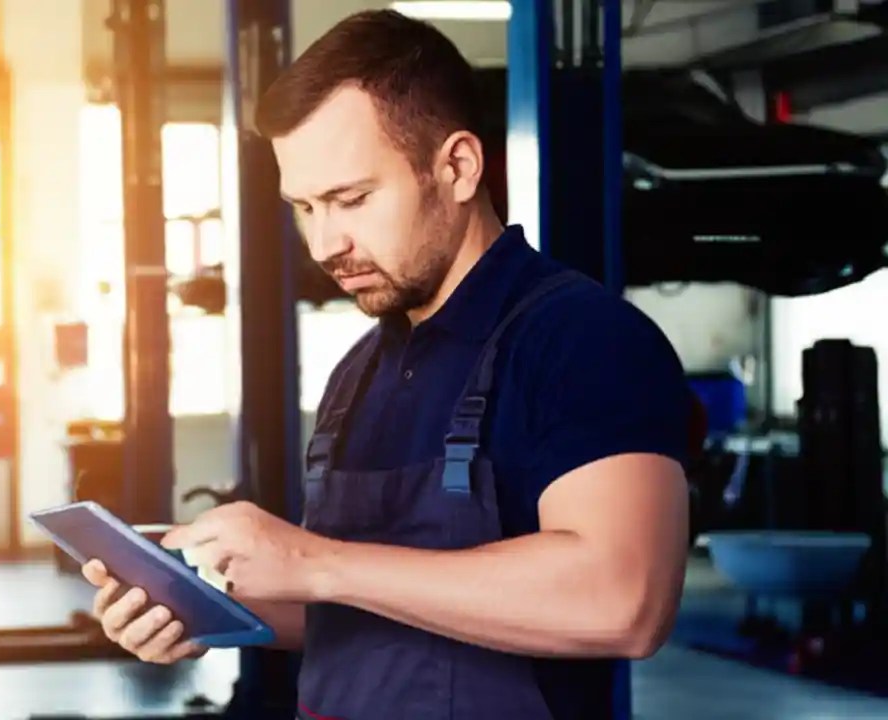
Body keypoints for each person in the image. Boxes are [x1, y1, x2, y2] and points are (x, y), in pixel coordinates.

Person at [82, 9, 692, 719]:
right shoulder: (360, 372)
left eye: (351, 199)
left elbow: (624, 601)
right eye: (305, 207)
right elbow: (356, 610)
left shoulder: (582, 339)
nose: (323, 243)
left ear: (457, 167)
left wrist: (315, 561)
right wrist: (200, 608)